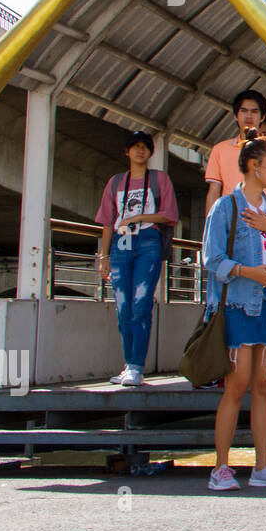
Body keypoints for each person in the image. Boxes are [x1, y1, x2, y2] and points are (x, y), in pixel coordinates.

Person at [204, 136, 266, 491]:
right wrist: (250, 273)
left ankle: (263, 465)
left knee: (265, 385)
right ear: (254, 166)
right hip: (236, 307)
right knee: (237, 384)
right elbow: (212, 260)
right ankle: (221, 467)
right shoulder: (226, 207)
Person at [95, 131, 179, 387]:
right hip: (121, 245)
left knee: (141, 303)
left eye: (145, 147)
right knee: (123, 307)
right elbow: (107, 221)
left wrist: (139, 218)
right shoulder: (116, 182)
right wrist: (104, 256)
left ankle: (136, 367)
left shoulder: (159, 179)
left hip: (148, 243)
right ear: (127, 151)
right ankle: (128, 363)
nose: (140, 151)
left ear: (151, 152)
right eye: (135, 147)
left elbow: (170, 214)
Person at [204, 89, 266, 216]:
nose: (249, 116)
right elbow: (214, 191)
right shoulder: (219, 150)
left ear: (262, 117)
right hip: (231, 222)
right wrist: (211, 229)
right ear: (235, 116)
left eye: (254, 111)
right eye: (243, 111)